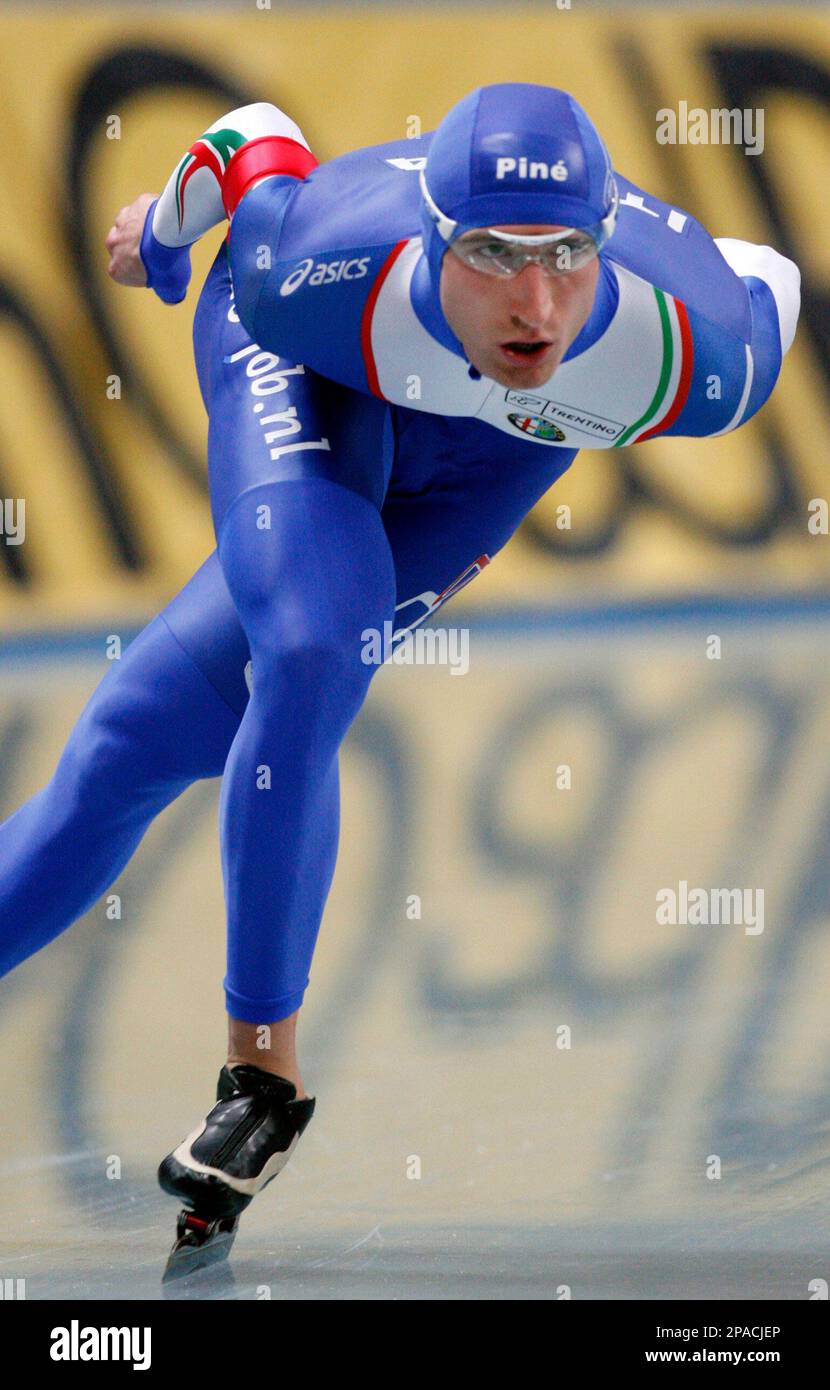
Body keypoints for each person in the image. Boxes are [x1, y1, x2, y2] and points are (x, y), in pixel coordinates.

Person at [0, 83, 800, 1270]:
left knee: (132, 743)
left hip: (481, 465)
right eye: (489, 254)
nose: (532, 302)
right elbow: (255, 137)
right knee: (314, 645)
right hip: (313, 373)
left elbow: (765, 274)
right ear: (433, 237)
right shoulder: (316, 263)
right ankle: (259, 1067)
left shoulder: (697, 355)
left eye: (564, 256)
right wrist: (163, 242)